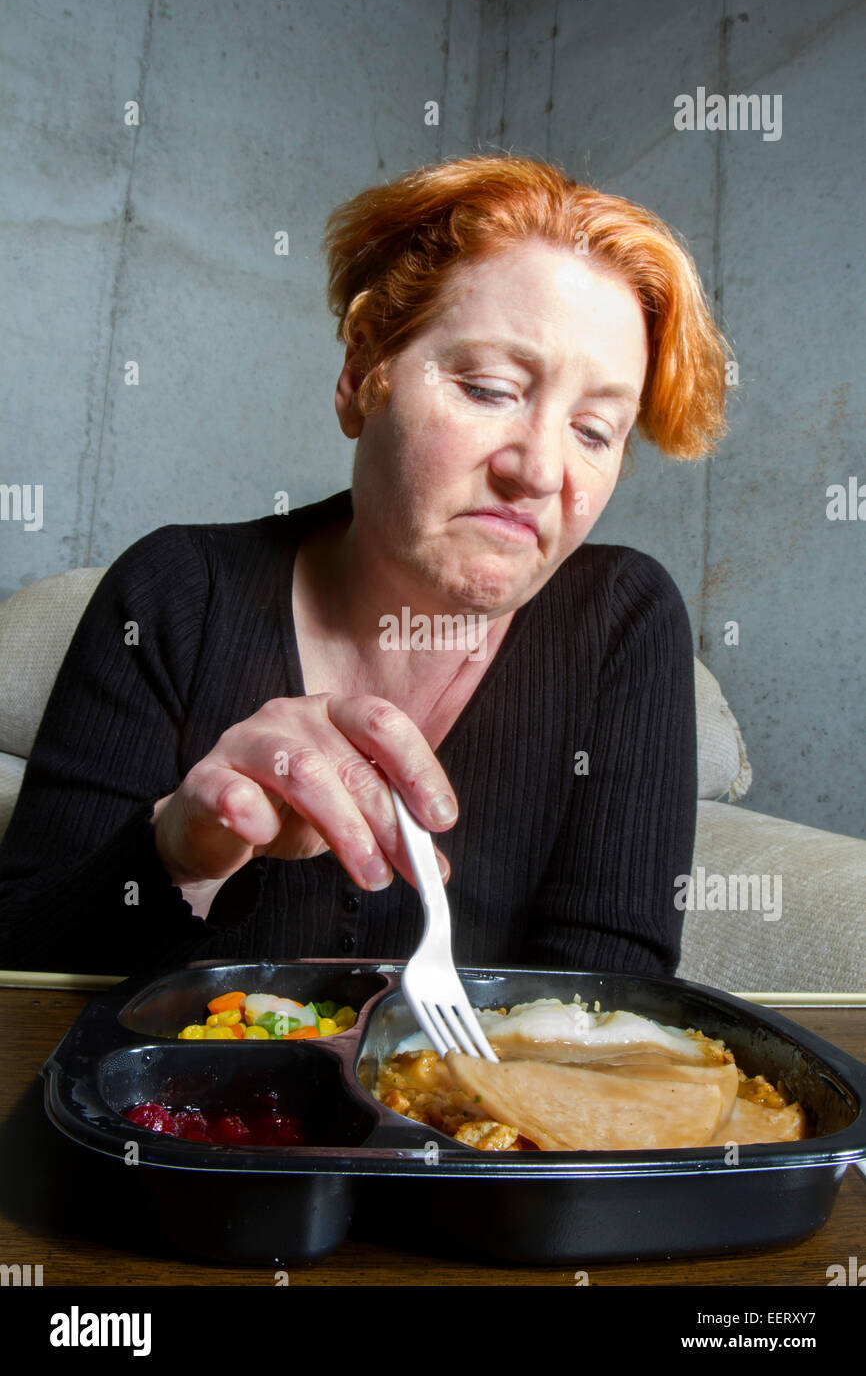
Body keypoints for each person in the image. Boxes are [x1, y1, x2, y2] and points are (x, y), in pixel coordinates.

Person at [0, 154, 730, 976]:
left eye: (596, 432)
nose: (540, 471)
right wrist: (178, 851)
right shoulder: (174, 592)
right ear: (360, 375)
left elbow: (607, 1002)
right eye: (490, 388)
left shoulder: (623, 622)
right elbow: (21, 965)